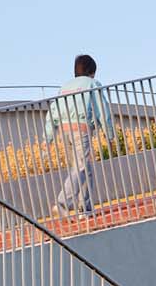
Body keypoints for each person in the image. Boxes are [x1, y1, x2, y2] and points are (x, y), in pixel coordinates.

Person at [44, 54, 110, 219]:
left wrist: (48, 138)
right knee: (81, 168)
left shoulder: (64, 87)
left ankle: (85, 209)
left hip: (64, 131)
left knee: (84, 170)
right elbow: (102, 109)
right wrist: (108, 132)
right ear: (91, 71)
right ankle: (62, 202)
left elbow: (53, 113)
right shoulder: (92, 84)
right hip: (81, 129)